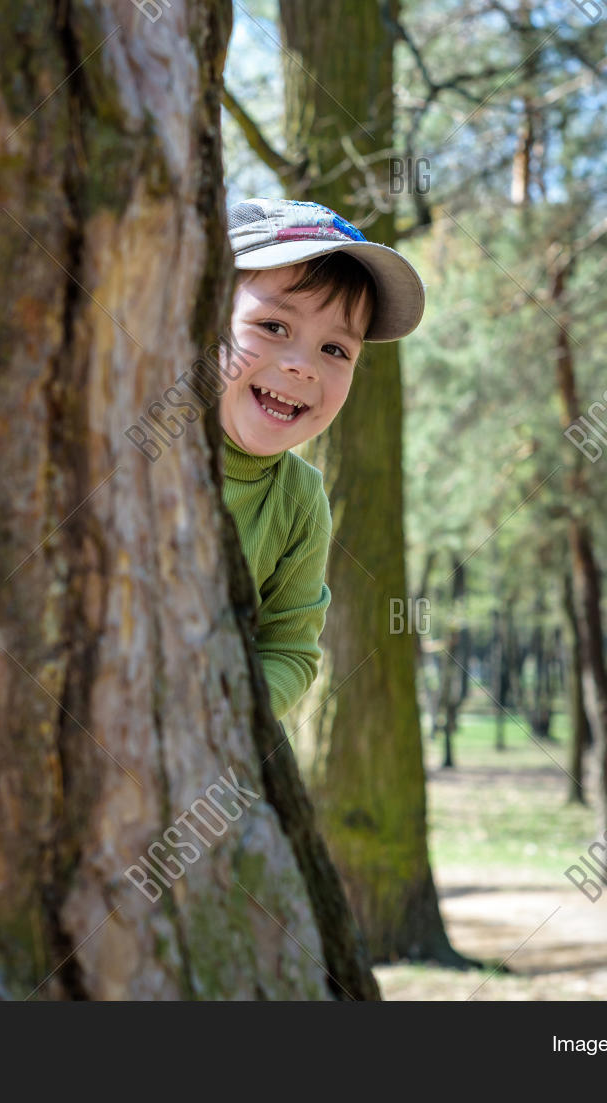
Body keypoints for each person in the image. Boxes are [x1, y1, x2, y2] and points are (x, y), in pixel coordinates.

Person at [219, 198, 425, 720]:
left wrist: (230, 719)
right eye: (273, 327)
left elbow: (288, 646)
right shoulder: (119, 443)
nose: (302, 366)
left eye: (335, 350)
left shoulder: (300, 501)